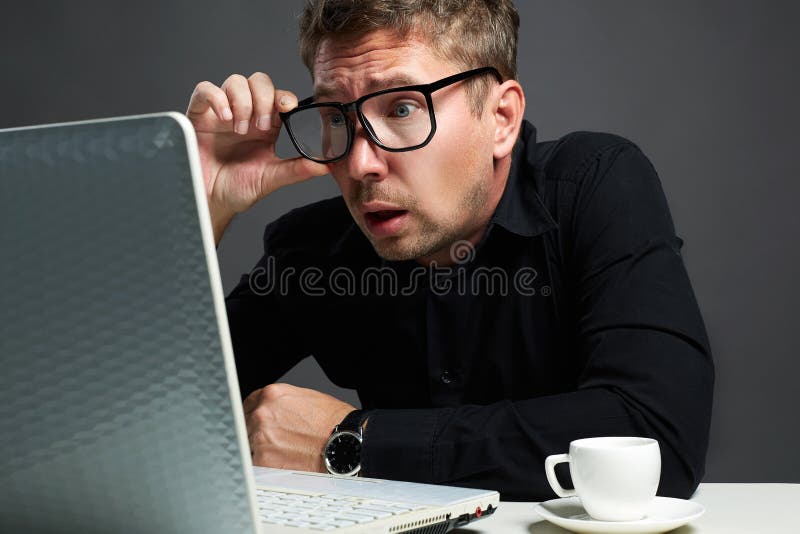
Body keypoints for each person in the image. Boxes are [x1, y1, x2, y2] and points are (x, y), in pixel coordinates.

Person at [185, 0, 714, 501]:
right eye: (338, 118)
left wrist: (349, 440)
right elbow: (143, 422)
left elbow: (657, 438)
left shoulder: (593, 187)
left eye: (402, 107)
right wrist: (201, 207)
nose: (361, 164)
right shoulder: (313, 249)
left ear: (501, 119)